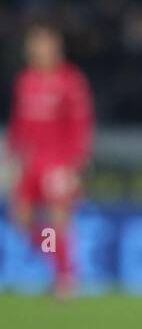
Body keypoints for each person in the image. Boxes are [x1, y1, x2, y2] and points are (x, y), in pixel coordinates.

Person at [6, 23, 94, 297]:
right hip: (30, 162)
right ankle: (57, 263)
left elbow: (81, 124)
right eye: (33, 43)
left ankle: (66, 279)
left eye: (42, 43)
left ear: (55, 47)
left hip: (58, 161)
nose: (36, 49)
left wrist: (75, 163)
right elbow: (19, 123)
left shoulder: (70, 80)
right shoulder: (25, 80)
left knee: (59, 220)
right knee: (20, 218)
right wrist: (12, 152)